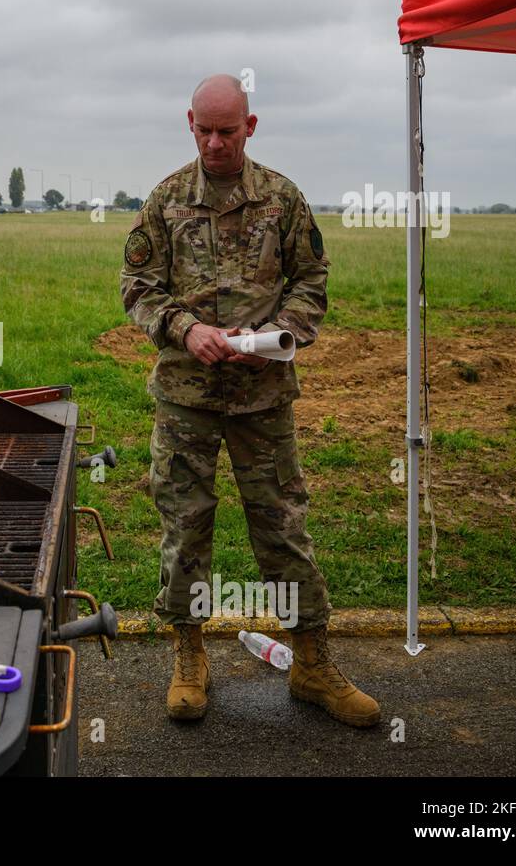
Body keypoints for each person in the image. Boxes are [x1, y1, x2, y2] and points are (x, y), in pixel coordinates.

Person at [119, 74, 379, 727]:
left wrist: (268, 338)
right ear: (189, 123)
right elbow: (139, 288)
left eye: (226, 131)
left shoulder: (283, 201)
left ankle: (313, 666)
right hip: (187, 398)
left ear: (250, 126)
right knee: (186, 530)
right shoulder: (165, 201)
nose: (214, 143)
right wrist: (189, 330)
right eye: (203, 130)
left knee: (283, 530)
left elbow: (312, 285)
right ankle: (189, 658)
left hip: (263, 399)